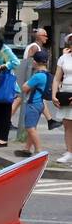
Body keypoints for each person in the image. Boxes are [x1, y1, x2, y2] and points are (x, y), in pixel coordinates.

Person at [20, 50, 50, 157]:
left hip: (33, 104)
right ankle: (27, 148)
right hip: (40, 104)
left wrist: (26, 83)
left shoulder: (37, 76)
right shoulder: (47, 75)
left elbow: (24, 87)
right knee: (32, 126)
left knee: (30, 128)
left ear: (35, 62)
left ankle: (39, 151)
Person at [49, 33, 72, 164]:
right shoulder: (64, 58)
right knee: (67, 124)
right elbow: (57, 78)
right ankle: (69, 152)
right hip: (65, 92)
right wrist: (54, 95)